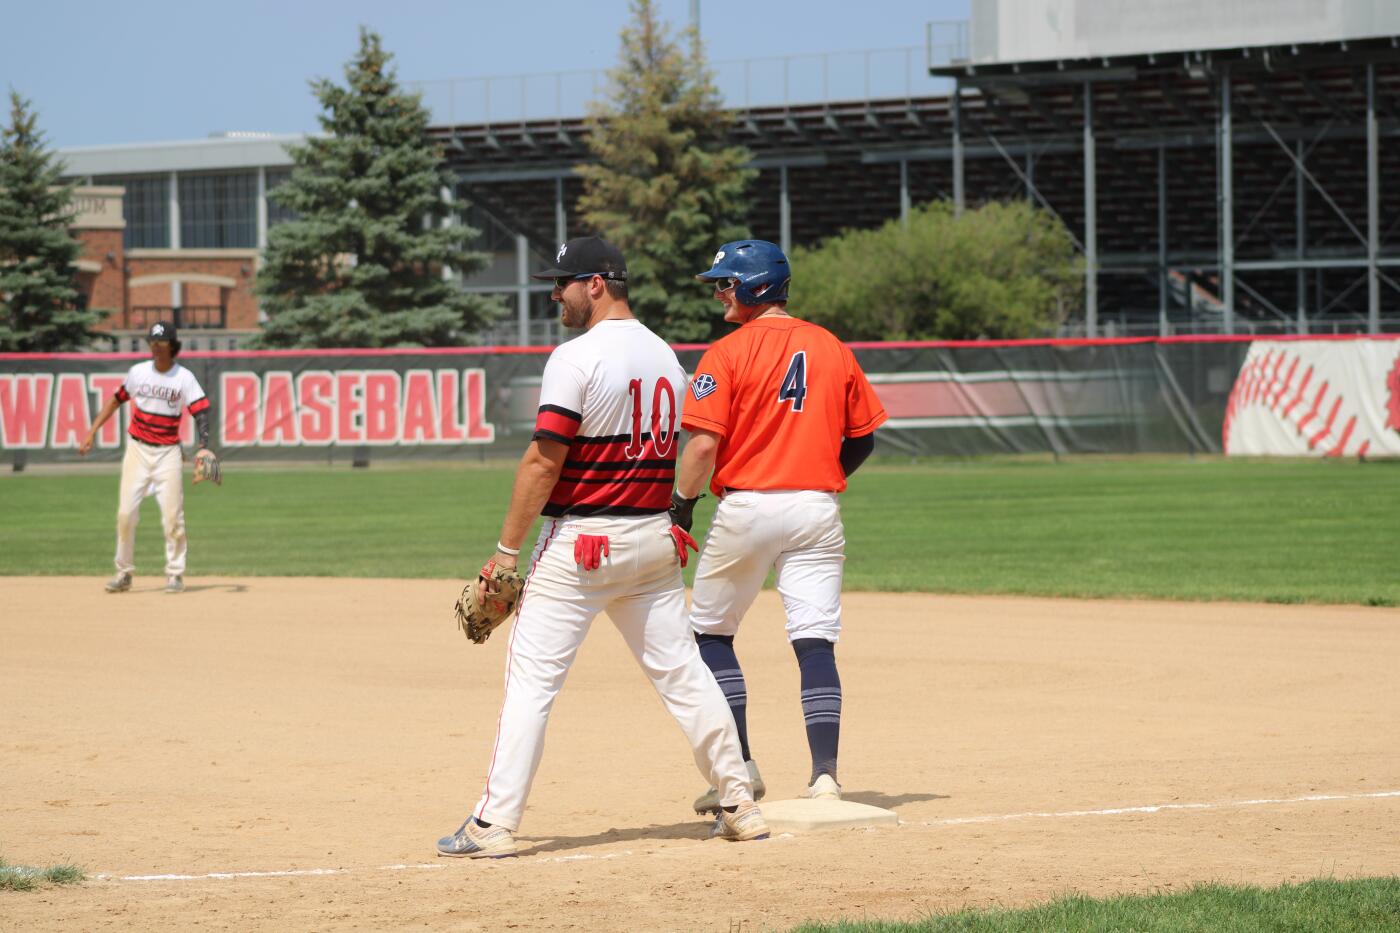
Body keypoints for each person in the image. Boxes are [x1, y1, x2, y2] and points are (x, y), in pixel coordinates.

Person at [437, 236, 769, 859]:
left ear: (597, 284)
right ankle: (738, 803)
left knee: (532, 682)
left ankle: (493, 824)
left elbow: (543, 460)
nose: (552, 294)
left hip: (582, 543)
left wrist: (506, 551)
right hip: (651, 538)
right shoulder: (667, 355)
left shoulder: (575, 356)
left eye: (561, 283)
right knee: (685, 675)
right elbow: (696, 442)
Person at [671, 240, 888, 813]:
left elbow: (702, 446)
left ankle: (739, 766)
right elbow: (864, 435)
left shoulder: (726, 352)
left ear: (754, 286)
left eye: (726, 283)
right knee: (814, 640)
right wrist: (819, 475)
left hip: (748, 508)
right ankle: (825, 778)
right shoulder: (831, 345)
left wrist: (681, 504)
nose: (719, 293)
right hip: (817, 509)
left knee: (712, 634)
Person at [79, 321, 215, 595]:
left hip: (168, 454)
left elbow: (200, 410)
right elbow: (116, 400)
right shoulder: (138, 373)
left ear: (172, 346)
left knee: (173, 518)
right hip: (137, 451)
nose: (155, 346)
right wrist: (92, 431)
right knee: (126, 514)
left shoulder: (183, 377)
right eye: (152, 342)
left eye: (161, 342)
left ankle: (175, 574)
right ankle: (124, 572)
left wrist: (203, 446)